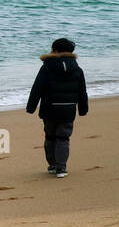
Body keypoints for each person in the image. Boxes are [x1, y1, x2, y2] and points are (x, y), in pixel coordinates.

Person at [25, 37, 89, 178]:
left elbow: (37, 88)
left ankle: (53, 165)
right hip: (68, 109)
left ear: (55, 50)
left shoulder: (47, 67)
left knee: (50, 137)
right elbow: (82, 91)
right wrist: (83, 109)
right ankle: (61, 168)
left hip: (50, 109)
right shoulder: (77, 69)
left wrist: (31, 107)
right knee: (63, 138)